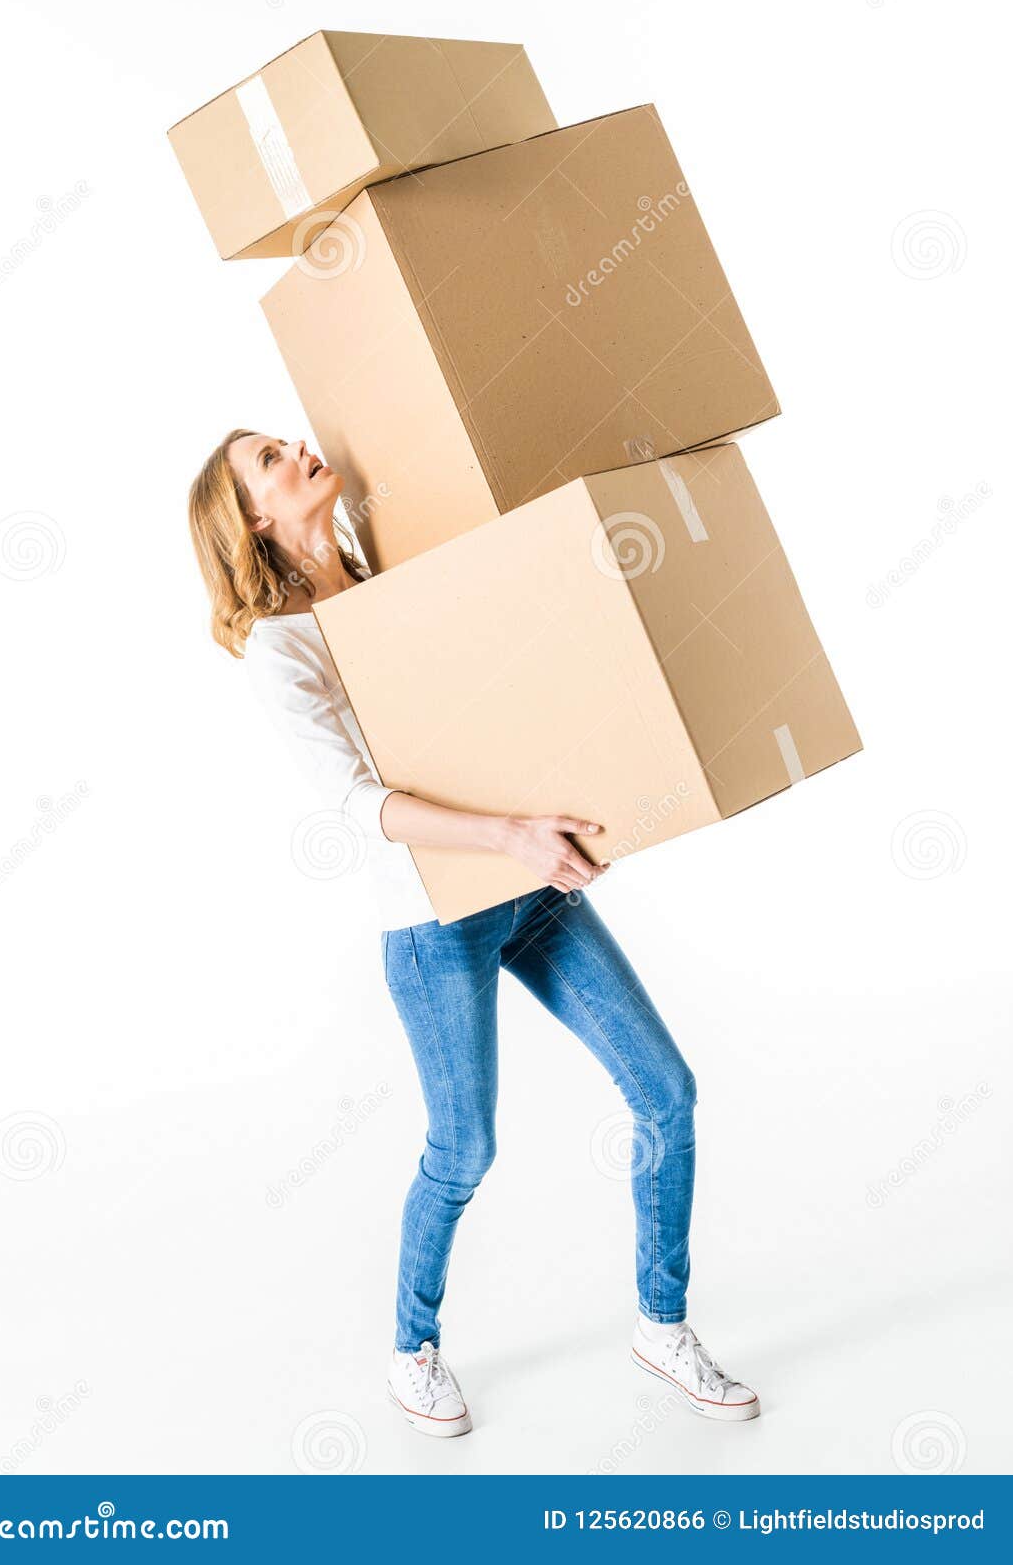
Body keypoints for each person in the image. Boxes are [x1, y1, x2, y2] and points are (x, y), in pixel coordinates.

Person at [188, 428, 760, 1436]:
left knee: (666, 1090)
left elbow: (497, 704)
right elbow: (359, 803)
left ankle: (662, 1325)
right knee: (464, 1148)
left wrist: (580, 821)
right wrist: (509, 835)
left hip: (528, 886)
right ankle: (412, 1348)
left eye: (282, 438)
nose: (297, 447)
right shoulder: (281, 647)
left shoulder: (392, 578)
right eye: (270, 460)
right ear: (255, 519)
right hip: (434, 920)